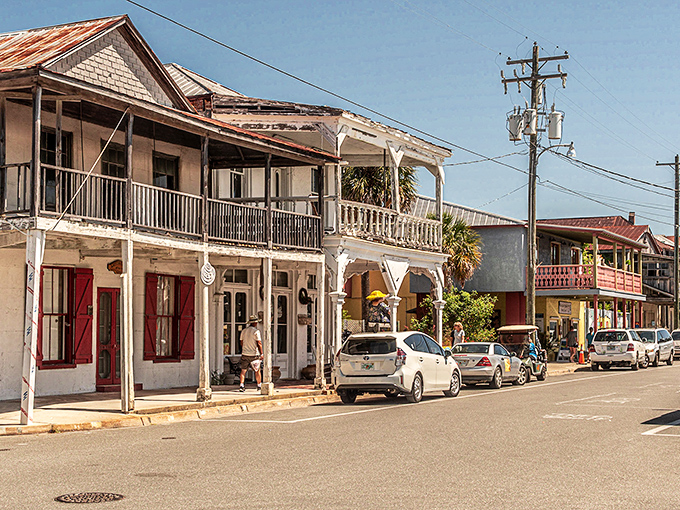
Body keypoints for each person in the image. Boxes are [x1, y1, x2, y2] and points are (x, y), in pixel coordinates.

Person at [239, 315, 263, 392]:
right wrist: (261, 353)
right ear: (255, 323)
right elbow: (259, 343)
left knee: (243, 370)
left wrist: (245, 348)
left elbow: (241, 342)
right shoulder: (256, 331)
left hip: (245, 353)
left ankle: (241, 385)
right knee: (257, 370)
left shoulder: (244, 331)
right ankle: (259, 385)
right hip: (254, 354)